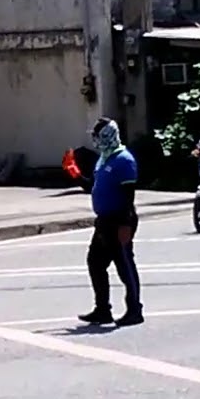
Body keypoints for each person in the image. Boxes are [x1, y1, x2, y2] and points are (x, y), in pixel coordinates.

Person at [78, 117, 145, 327]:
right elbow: (93, 186)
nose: (95, 140)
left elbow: (128, 196)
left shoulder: (124, 160)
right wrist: (75, 174)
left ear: (108, 135)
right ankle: (102, 310)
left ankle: (134, 310)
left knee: (124, 265)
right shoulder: (103, 159)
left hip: (120, 219)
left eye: (98, 135)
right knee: (95, 262)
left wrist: (125, 224)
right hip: (104, 220)